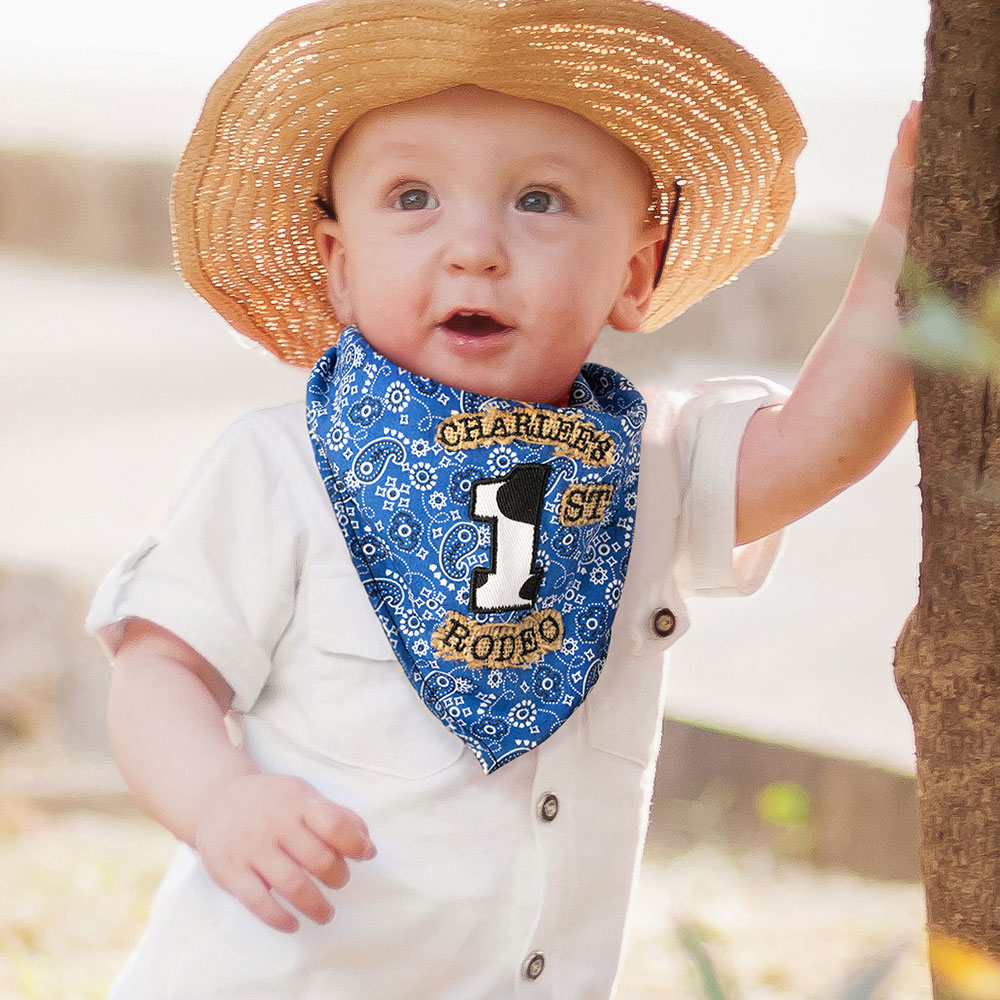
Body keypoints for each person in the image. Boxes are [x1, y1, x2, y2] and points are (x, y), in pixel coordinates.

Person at [85, 0, 919, 995]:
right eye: (411, 197)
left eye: (538, 200)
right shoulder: (279, 467)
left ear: (634, 271)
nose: (475, 246)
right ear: (339, 268)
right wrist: (221, 801)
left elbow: (819, 444)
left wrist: (909, 244)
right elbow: (159, 671)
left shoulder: (644, 466)